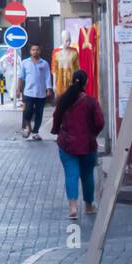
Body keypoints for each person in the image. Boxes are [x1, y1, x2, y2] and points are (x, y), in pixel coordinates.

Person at [51, 69, 105, 219]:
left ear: (72, 81)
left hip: (67, 144)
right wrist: (93, 133)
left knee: (71, 174)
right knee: (87, 175)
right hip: (87, 144)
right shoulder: (91, 101)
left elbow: (56, 119)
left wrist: (56, 131)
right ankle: (88, 205)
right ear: (86, 83)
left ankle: (73, 208)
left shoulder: (63, 100)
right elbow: (100, 122)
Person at [17, 44, 54, 139]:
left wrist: (49, 89)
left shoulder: (44, 63)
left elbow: (47, 77)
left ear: (40, 51)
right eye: (33, 50)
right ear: (30, 51)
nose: (35, 51)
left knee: (39, 114)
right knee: (27, 111)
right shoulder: (25, 62)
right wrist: (18, 90)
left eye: (37, 50)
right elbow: (20, 77)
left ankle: (35, 132)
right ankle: (28, 128)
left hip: (40, 93)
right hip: (28, 93)